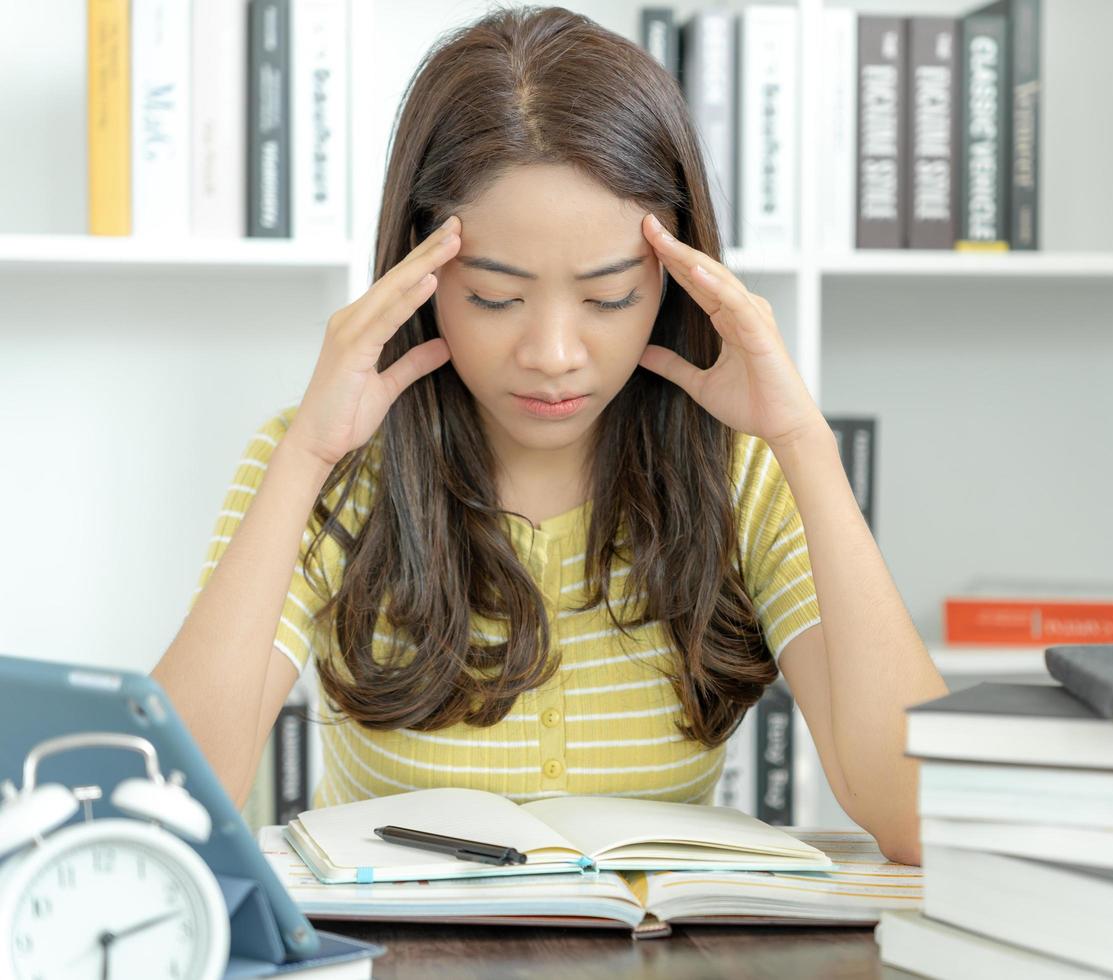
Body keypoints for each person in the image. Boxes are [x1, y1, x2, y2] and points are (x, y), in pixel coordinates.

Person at [151, 5, 946, 864]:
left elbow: (916, 819)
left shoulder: (745, 474)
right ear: (418, 270)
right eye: (496, 296)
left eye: (609, 299)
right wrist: (307, 455)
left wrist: (804, 443)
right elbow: (174, 801)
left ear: (677, 281)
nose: (554, 355)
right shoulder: (327, 463)